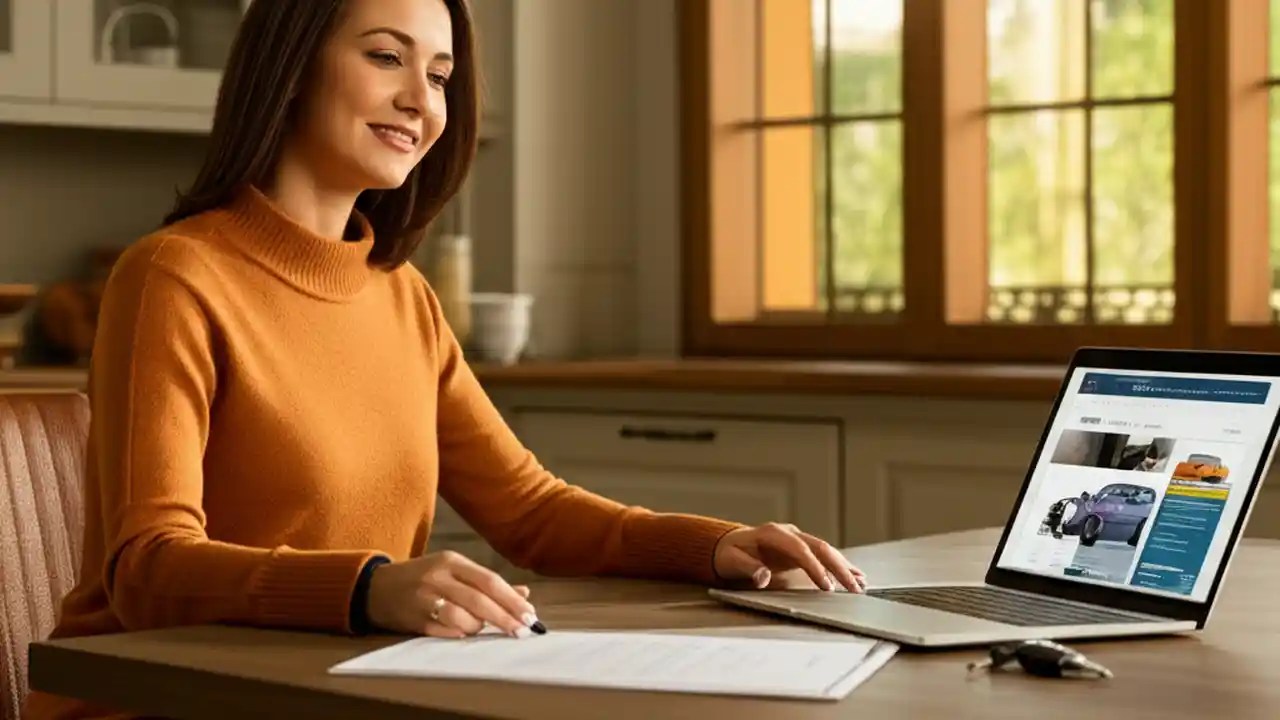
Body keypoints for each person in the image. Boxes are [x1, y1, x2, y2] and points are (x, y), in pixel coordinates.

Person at [26, 1, 865, 716]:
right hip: (157, 699)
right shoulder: (174, 274)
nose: (419, 101)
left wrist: (718, 548)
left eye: (438, 76)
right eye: (386, 57)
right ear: (289, 66)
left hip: (339, 691)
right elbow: (146, 568)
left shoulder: (403, 297)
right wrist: (370, 588)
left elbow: (530, 510)